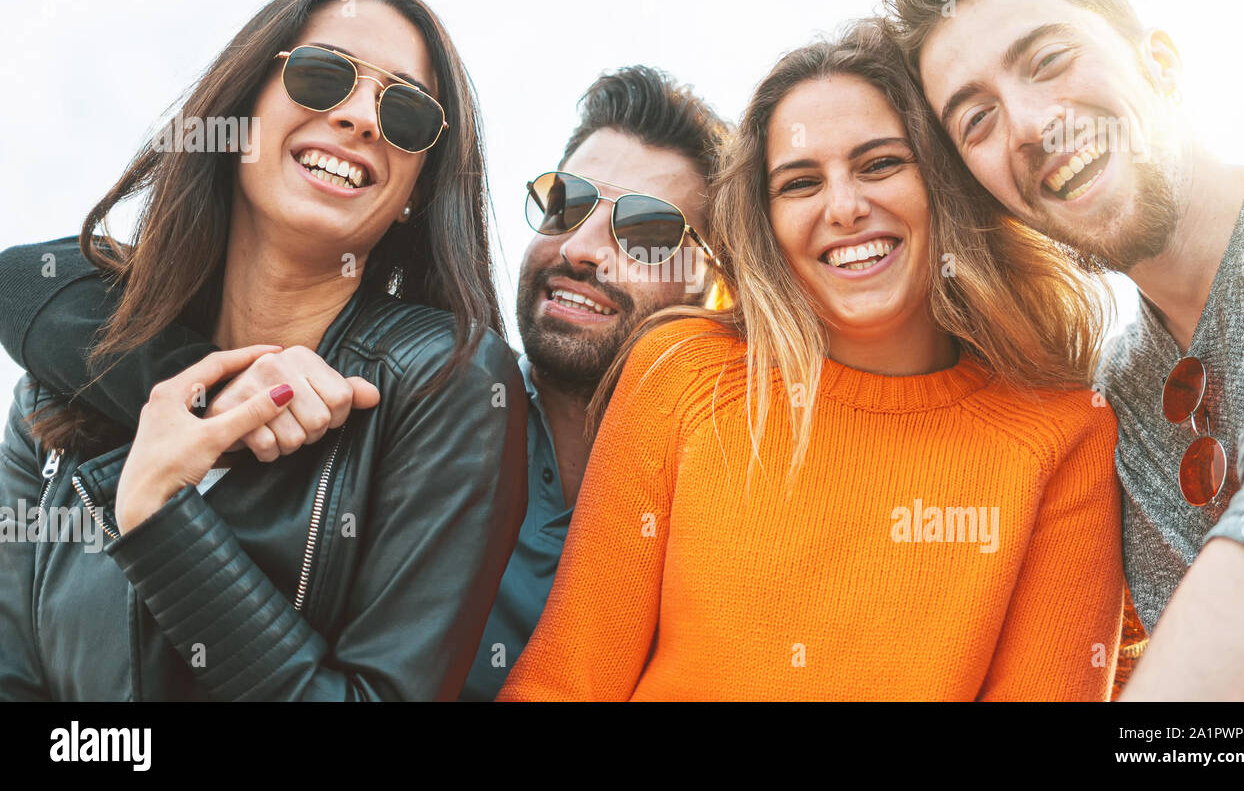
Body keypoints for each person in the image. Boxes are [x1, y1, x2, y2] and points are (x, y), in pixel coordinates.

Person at [0, 65, 728, 701]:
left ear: (715, 286)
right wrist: (221, 392)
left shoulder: (719, 505)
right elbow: (39, 285)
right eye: (565, 204)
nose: (581, 248)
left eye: (648, 234)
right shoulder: (416, 394)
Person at [498, 19, 1124, 701]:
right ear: (764, 226)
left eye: (881, 163)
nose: (845, 208)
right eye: (799, 183)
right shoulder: (681, 371)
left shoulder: (1065, 436)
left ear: (945, 181)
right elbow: (566, 680)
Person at [0, 0, 528, 701]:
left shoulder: (449, 384)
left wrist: (159, 517)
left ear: (415, 193)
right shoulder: (54, 397)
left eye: (405, 113)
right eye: (322, 75)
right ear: (240, 109)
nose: (362, 119)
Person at [885, 0, 1244, 700]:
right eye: (977, 119)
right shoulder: (1118, 390)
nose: (1035, 128)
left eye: (1048, 60)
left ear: (1161, 63)